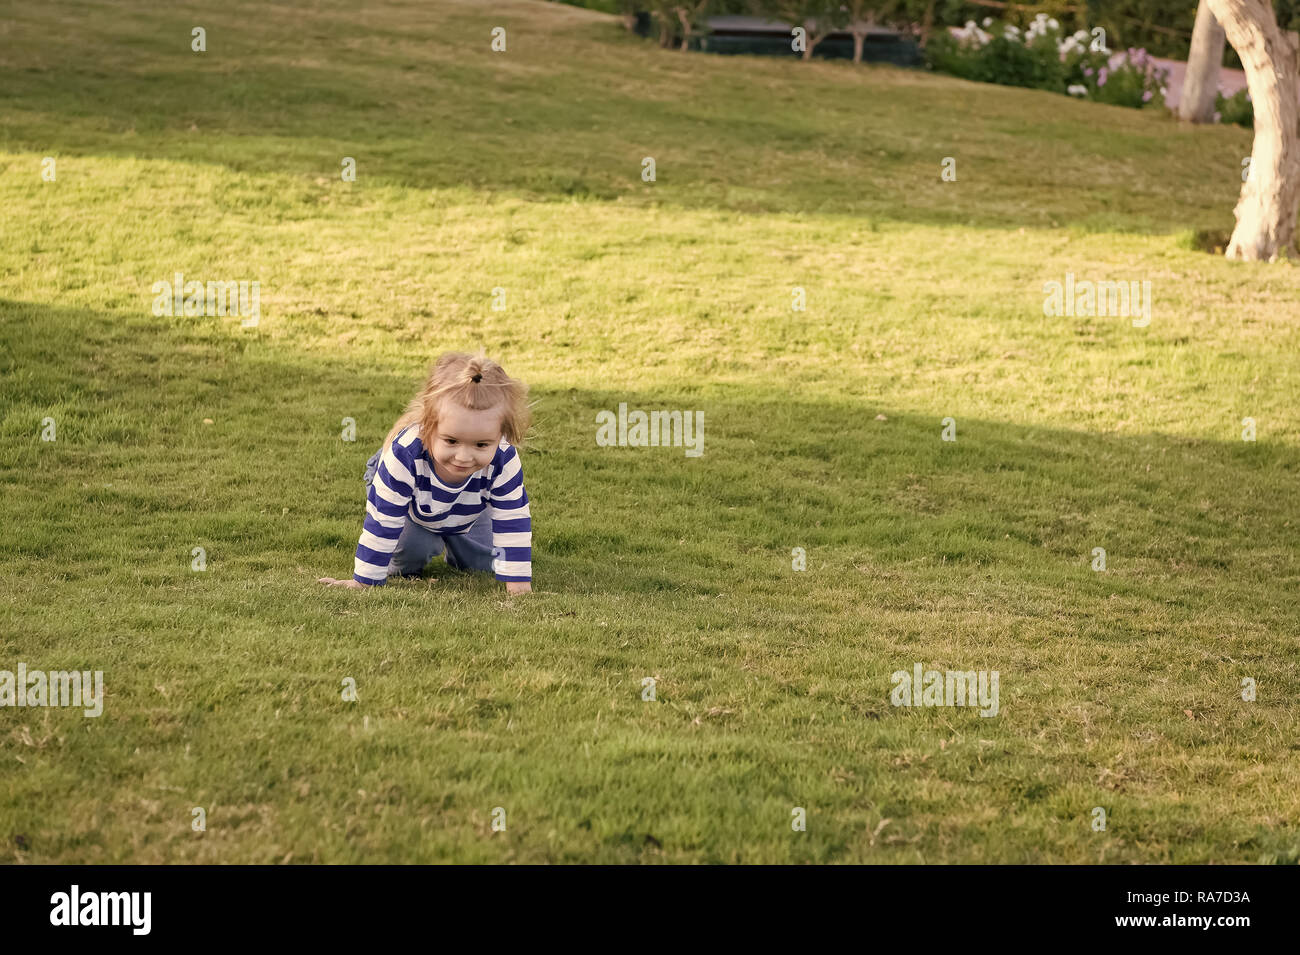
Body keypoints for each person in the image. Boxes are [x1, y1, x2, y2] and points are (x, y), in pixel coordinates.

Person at [319, 352, 532, 594]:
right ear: (429, 426)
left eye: (481, 445)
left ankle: (455, 537)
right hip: (412, 503)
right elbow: (384, 519)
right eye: (451, 441)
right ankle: (427, 536)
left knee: (485, 564)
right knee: (408, 560)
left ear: (500, 434)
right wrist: (365, 582)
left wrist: (519, 588)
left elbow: (513, 519)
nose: (463, 456)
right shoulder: (404, 454)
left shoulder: (504, 457)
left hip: (467, 504)